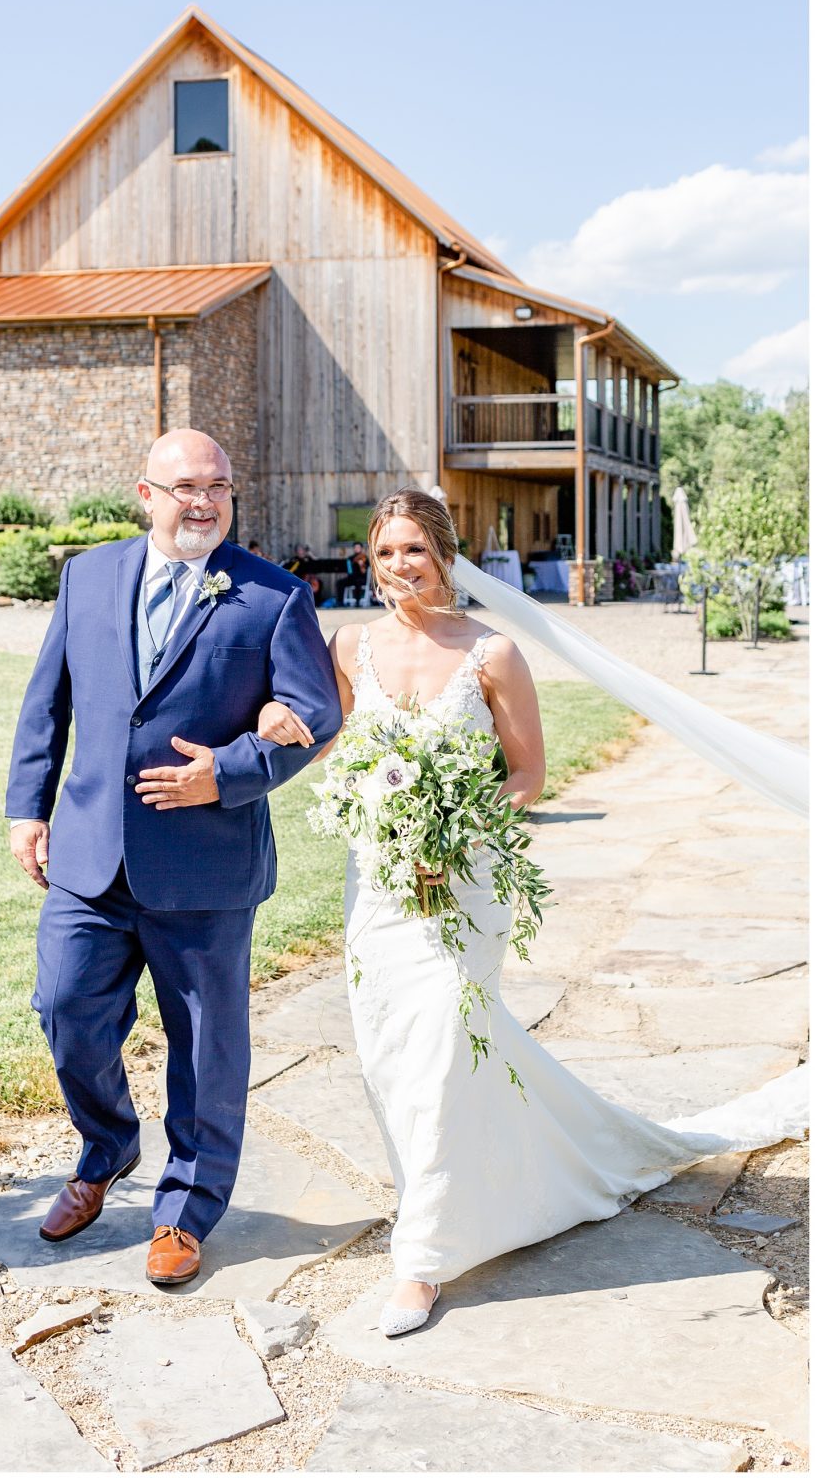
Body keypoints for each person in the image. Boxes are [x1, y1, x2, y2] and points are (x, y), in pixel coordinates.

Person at [258, 487, 805, 1338]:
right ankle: (504, 1176)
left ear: (445, 554)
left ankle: (424, 1258)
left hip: (463, 884)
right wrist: (279, 717)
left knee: (442, 1037)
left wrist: (461, 827)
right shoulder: (347, 646)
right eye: (386, 550)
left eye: (416, 550)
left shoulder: (493, 652)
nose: (400, 566)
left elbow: (526, 774)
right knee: (392, 1053)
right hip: (379, 884)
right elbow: (328, 738)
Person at [6, 429, 341, 1287]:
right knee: (64, 1004)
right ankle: (108, 1146)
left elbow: (314, 713)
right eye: (186, 486)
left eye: (220, 486)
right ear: (145, 494)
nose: (205, 502)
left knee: (204, 1050)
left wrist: (225, 774)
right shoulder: (88, 576)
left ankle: (185, 1213)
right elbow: (49, 701)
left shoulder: (273, 596)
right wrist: (26, 810)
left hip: (205, 864)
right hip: (89, 853)